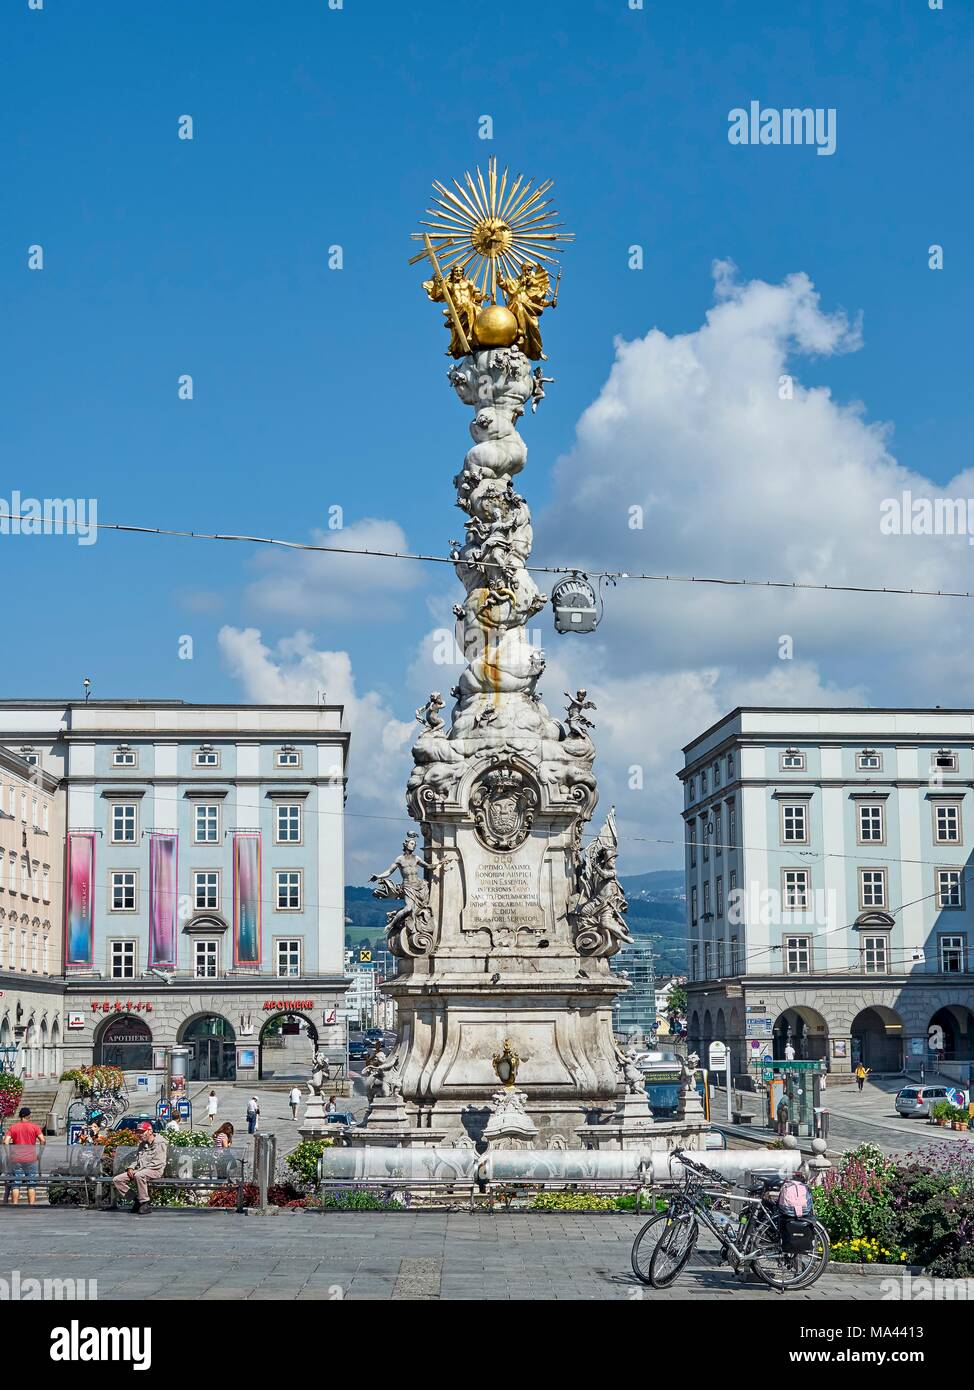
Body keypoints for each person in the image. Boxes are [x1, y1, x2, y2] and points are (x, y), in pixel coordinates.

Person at [110, 1121, 167, 1214]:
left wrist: (139, 1171)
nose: (140, 1134)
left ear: (150, 1131)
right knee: (117, 1180)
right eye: (138, 1132)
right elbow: (137, 1160)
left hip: (155, 1170)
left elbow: (158, 1162)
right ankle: (136, 1199)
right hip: (140, 1170)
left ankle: (145, 1203)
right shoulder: (142, 1144)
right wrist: (130, 1168)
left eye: (142, 1132)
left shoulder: (160, 1142)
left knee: (139, 1175)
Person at [4, 1107, 45, 1206]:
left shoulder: (13, 1127)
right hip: (31, 1158)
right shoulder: (35, 1127)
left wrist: (8, 1154)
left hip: (16, 1159)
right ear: (29, 1116)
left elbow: (5, 1142)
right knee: (31, 1183)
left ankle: (15, 1205)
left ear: (20, 1116)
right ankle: (31, 1206)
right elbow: (42, 1140)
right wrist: (40, 1153)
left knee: (15, 1183)